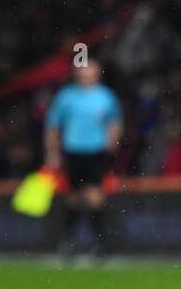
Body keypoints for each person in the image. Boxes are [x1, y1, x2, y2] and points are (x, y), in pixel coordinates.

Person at [44, 60, 122, 257]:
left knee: (95, 195)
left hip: (96, 151)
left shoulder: (105, 96)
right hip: (72, 151)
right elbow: (53, 125)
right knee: (72, 197)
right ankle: (69, 242)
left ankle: (100, 243)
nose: (86, 76)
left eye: (90, 72)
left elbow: (115, 122)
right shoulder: (67, 96)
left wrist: (112, 142)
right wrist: (52, 152)